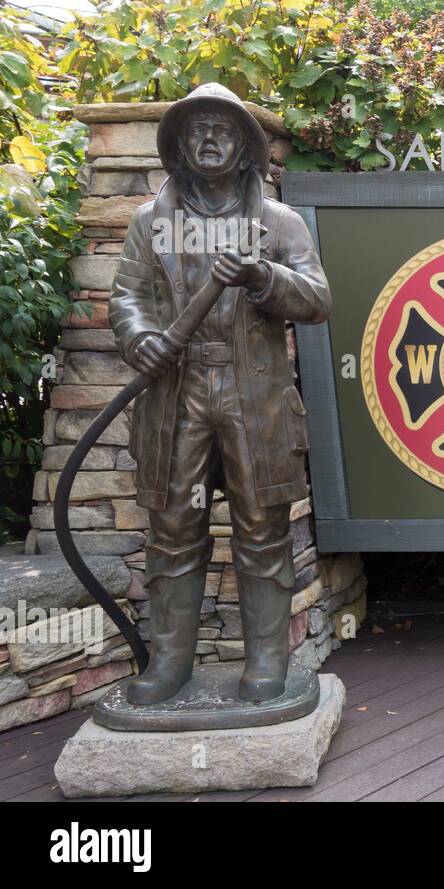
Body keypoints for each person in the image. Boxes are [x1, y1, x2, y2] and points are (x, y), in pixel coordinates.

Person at [108, 83, 331, 704]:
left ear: (245, 147)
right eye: (197, 129)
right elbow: (125, 296)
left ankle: (266, 662)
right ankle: (171, 661)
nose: (210, 139)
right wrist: (139, 337)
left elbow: (317, 300)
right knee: (173, 527)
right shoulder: (151, 222)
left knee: (262, 528)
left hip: (252, 393)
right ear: (178, 143)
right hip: (176, 392)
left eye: (224, 129)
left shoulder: (276, 222)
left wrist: (265, 275)